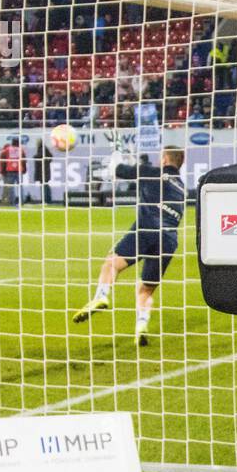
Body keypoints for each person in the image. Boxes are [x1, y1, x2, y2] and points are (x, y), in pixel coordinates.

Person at [72, 143, 189, 347]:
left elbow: (119, 171)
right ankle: (141, 327)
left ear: (165, 159)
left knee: (111, 263)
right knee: (146, 290)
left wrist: (116, 155)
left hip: (148, 227)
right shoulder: (182, 189)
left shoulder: (151, 173)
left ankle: (101, 297)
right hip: (169, 239)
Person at [0, 137, 25, 206]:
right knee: (20, 187)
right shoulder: (21, 150)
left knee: (11, 188)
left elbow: (3, 160)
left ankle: (12, 202)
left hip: (10, 170)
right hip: (19, 170)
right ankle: (21, 202)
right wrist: (24, 169)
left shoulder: (7, 150)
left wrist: (2, 170)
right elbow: (24, 160)